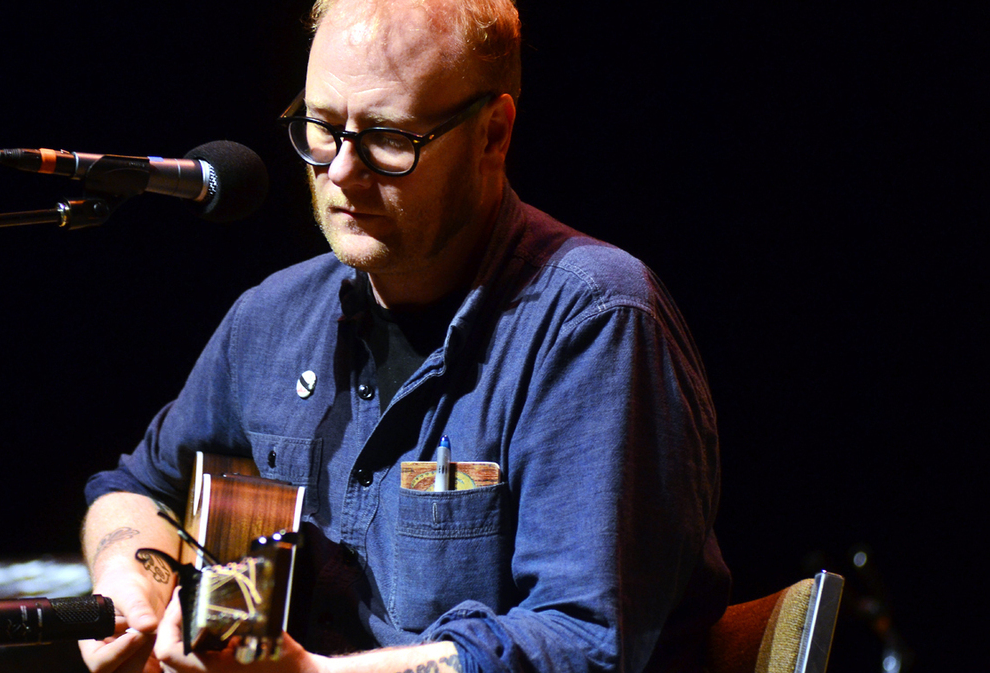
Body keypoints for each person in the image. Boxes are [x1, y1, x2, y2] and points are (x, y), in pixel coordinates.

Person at [78, 0, 731, 671]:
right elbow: (139, 489)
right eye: (322, 127)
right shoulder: (271, 321)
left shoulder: (594, 321)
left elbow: (584, 646)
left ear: (493, 134)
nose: (340, 172)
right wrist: (130, 584)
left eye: (389, 138)